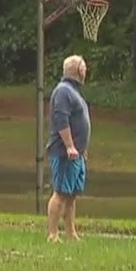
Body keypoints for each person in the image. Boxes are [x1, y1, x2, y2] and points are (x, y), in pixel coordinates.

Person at [46, 55, 91, 242]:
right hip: (65, 153)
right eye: (85, 68)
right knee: (61, 192)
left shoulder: (73, 91)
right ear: (79, 70)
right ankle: (53, 234)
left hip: (77, 154)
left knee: (72, 194)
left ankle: (71, 233)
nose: (86, 71)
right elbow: (61, 120)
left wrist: (81, 148)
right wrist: (70, 146)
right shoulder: (63, 91)